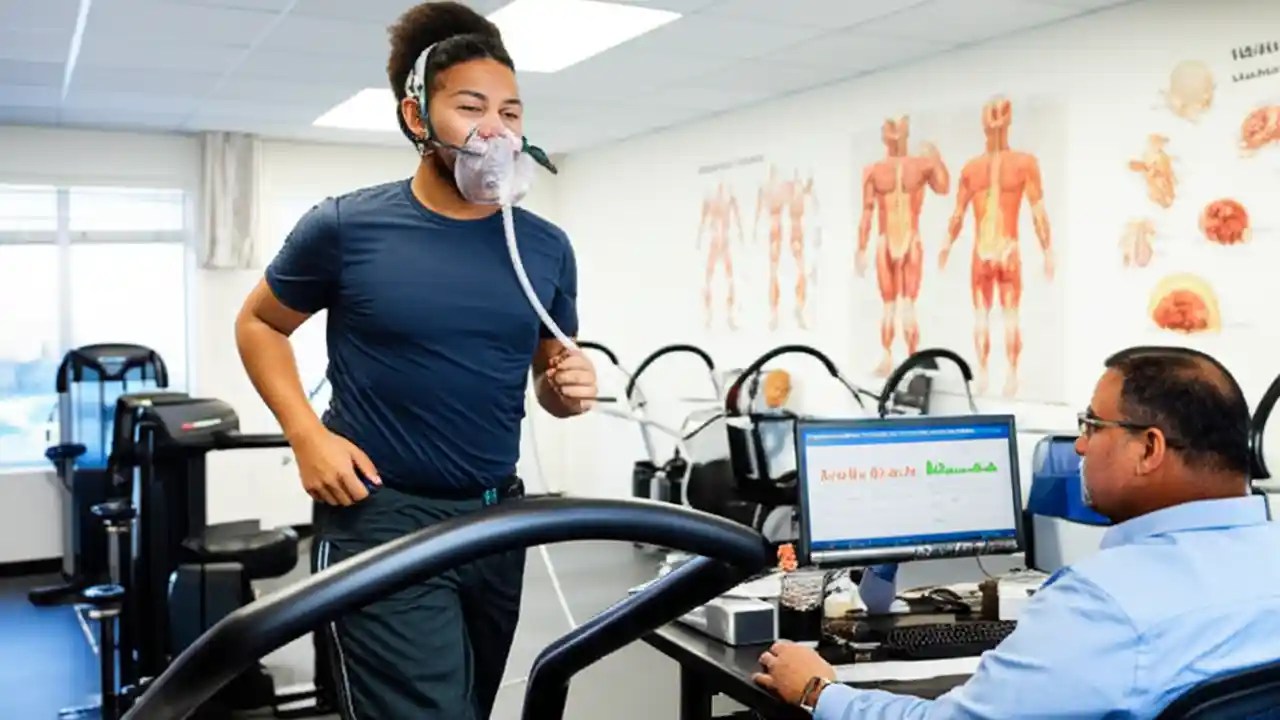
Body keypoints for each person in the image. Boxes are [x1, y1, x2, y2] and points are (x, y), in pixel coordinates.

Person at [233, 3, 595, 719]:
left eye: (511, 111)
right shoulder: (347, 225)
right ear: (416, 117)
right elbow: (258, 323)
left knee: (468, 703)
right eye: (470, 107)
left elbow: (550, 375)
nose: (496, 129)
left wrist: (568, 388)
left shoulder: (544, 245)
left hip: (498, 519)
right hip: (381, 515)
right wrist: (307, 434)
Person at [753, 346, 1280, 718]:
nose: (1078, 446)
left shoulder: (1103, 601)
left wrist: (820, 692)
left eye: (1092, 426)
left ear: (1149, 449)